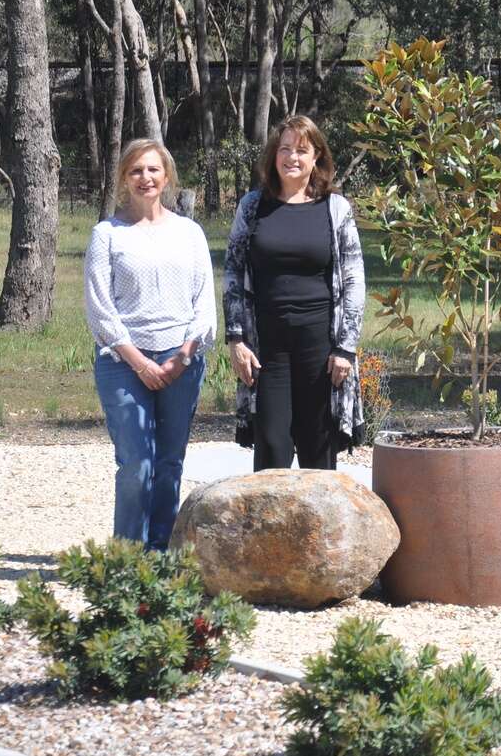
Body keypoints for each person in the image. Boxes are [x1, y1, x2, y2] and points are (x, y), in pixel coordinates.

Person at [83, 138, 215, 549]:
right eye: (136, 170)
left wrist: (182, 356)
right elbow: (100, 309)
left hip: (182, 362)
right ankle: (127, 559)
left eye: (153, 170)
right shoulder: (107, 234)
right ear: (124, 178)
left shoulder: (189, 233)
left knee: (169, 464)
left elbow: (204, 304)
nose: (146, 178)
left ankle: (161, 555)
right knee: (137, 465)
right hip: (123, 363)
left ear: (167, 176)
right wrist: (140, 362)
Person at [223, 114, 365, 469]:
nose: (292, 158)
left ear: (317, 156)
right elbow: (233, 275)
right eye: (284, 149)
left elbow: (354, 281)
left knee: (319, 453)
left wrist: (345, 348)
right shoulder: (252, 207)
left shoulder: (336, 209)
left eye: (301, 150)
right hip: (266, 349)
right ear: (273, 155)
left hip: (321, 348)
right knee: (271, 447)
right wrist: (236, 339)